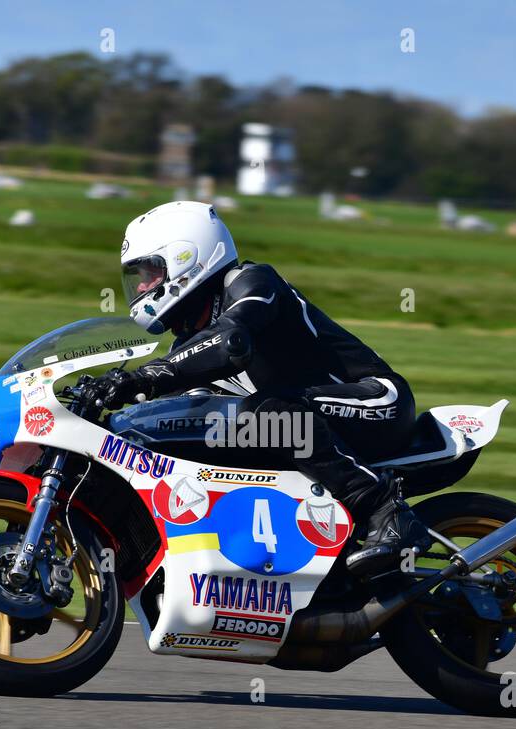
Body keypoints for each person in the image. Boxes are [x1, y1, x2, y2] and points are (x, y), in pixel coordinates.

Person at [92, 200, 430, 576]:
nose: (141, 286)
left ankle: (385, 506)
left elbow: (230, 340)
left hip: (378, 401)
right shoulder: (183, 348)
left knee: (268, 413)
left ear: (188, 257)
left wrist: (146, 376)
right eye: (138, 276)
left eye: (152, 272)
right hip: (304, 420)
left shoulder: (252, 283)